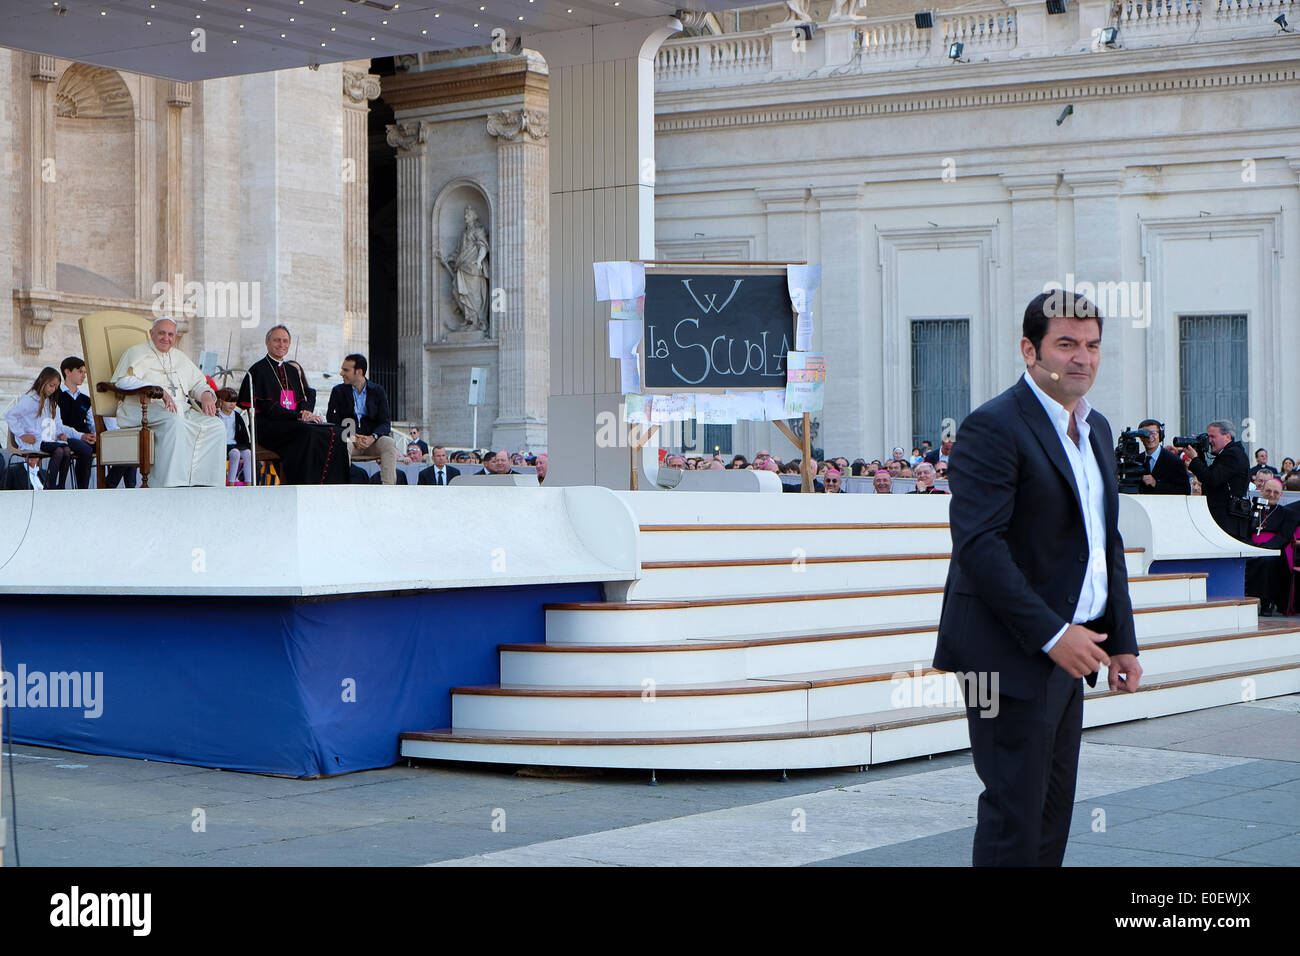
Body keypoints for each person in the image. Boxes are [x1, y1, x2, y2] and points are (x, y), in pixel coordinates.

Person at [933, 291, 1141, 867]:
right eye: (1066, 344)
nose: (1082, 358)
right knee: (1013, 818)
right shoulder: (993, 426)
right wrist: (1053, 633)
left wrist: (1120, 639)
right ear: (1030, 350)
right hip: (1004, 654)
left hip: (1071, 649)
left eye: (1093, 345)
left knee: (1051, 812)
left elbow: (1104, 543)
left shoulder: (1096, 429)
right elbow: (979, 548)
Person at [111, 318, 226, 487]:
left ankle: (205, 483)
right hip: (145, 408)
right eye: (162, 333)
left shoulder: (179, 357)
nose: (166, 338)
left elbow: (198, 383)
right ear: (151, 334)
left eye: (171, 334)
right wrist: (159, 391)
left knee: (216, 426)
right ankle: (170, 484)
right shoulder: (136, 353)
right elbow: (123, 381)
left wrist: (206, 394)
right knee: (175, 420)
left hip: (180, 409)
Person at [241, 326, 350, 485]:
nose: (281, 344)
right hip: (267, 427)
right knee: (307, 432)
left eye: (285, 341)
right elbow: (267, 407)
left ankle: (332, 485)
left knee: (337, 431)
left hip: (293, 423)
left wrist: (307, 413)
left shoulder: (291, 371)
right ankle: (305, 483)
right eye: (277, 340)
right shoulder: (258, 370)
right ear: (267, 342)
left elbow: (302, 398)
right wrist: (297, 416)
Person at [325, 352, 396, 485]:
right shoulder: (338, 391)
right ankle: (342, 485)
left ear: (359, 371)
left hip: (372, 441)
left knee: (389, 443)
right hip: (350, 439)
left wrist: (372, 437)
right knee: (342, 444)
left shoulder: (378, 391)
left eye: (346, 370)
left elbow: (385, 423)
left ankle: (389, 488)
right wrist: (354, 438)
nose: (341, 373)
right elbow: (333, 421)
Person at [7, 367, 74, 489]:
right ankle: (50, 485)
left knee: (66, 450)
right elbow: (11, 415)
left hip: (46, 440)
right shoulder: (29, 400)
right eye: (51, 385)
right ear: (43, 381)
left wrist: (59, 434)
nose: (53, 390)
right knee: (59, 450)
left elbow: (55, 425)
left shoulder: (50, 403)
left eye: (55, 387)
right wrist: (22, 434)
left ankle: (61, 485)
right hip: (34, 441)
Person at [1184, 421, 1250, 542]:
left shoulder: (1232, 454)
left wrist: (1194, 459)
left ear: (1227, 437)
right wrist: (1199, 455)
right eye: (1208, 437)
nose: (1209, 441)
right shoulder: (1228, 454)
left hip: (1228, 520)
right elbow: (1208, 476)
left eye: (1213, 436)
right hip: (1225, 517)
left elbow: (1213, 479)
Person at [1244, 478, 1300, 617]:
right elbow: (1244, 532)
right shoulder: (1251, 510)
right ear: (1262, 491)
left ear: (1281, 495)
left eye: (1276, 492)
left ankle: (1266, 603)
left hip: (1274, 550)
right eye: (1268, 491)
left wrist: (1265, 548)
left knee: (1267, 562)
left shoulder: (1287, 513)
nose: (1272, 494)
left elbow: (1284, 536)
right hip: (1249, 547)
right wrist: (1251, 547)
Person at [56, 356, 98, 489]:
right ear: (67, 372)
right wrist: (81, 436)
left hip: (85, 437)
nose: (84, 375)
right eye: (80, 371)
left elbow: (91, 421)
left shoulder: (86, 400)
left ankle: (109, 485)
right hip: (64, 436)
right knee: (85, 450)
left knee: (112, 448)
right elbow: (56, 422)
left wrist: (95, 434)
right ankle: (82, 490)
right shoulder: (56, 395)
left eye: (85, 372)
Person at [1136, 419, 1189, 495]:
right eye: (1146, 434)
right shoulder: (1137, 460)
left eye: (1153, 433)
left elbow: (1184, 490)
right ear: (1141, 437)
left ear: (1160, 435)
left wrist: (1156, 484)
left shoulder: (1174, 461)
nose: (1150, 437)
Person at [215, 388, 252, 486]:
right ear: (221, 402)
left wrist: (246, 444)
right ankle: (231, 482)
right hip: (222, 445)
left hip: (235, 443)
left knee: (248, 453)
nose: (232, 404)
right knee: (235, 454)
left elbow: (243, 433)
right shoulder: (217, 415)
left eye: (234, 402)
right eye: (228, 401)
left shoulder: (237, 416)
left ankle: (249, 482)